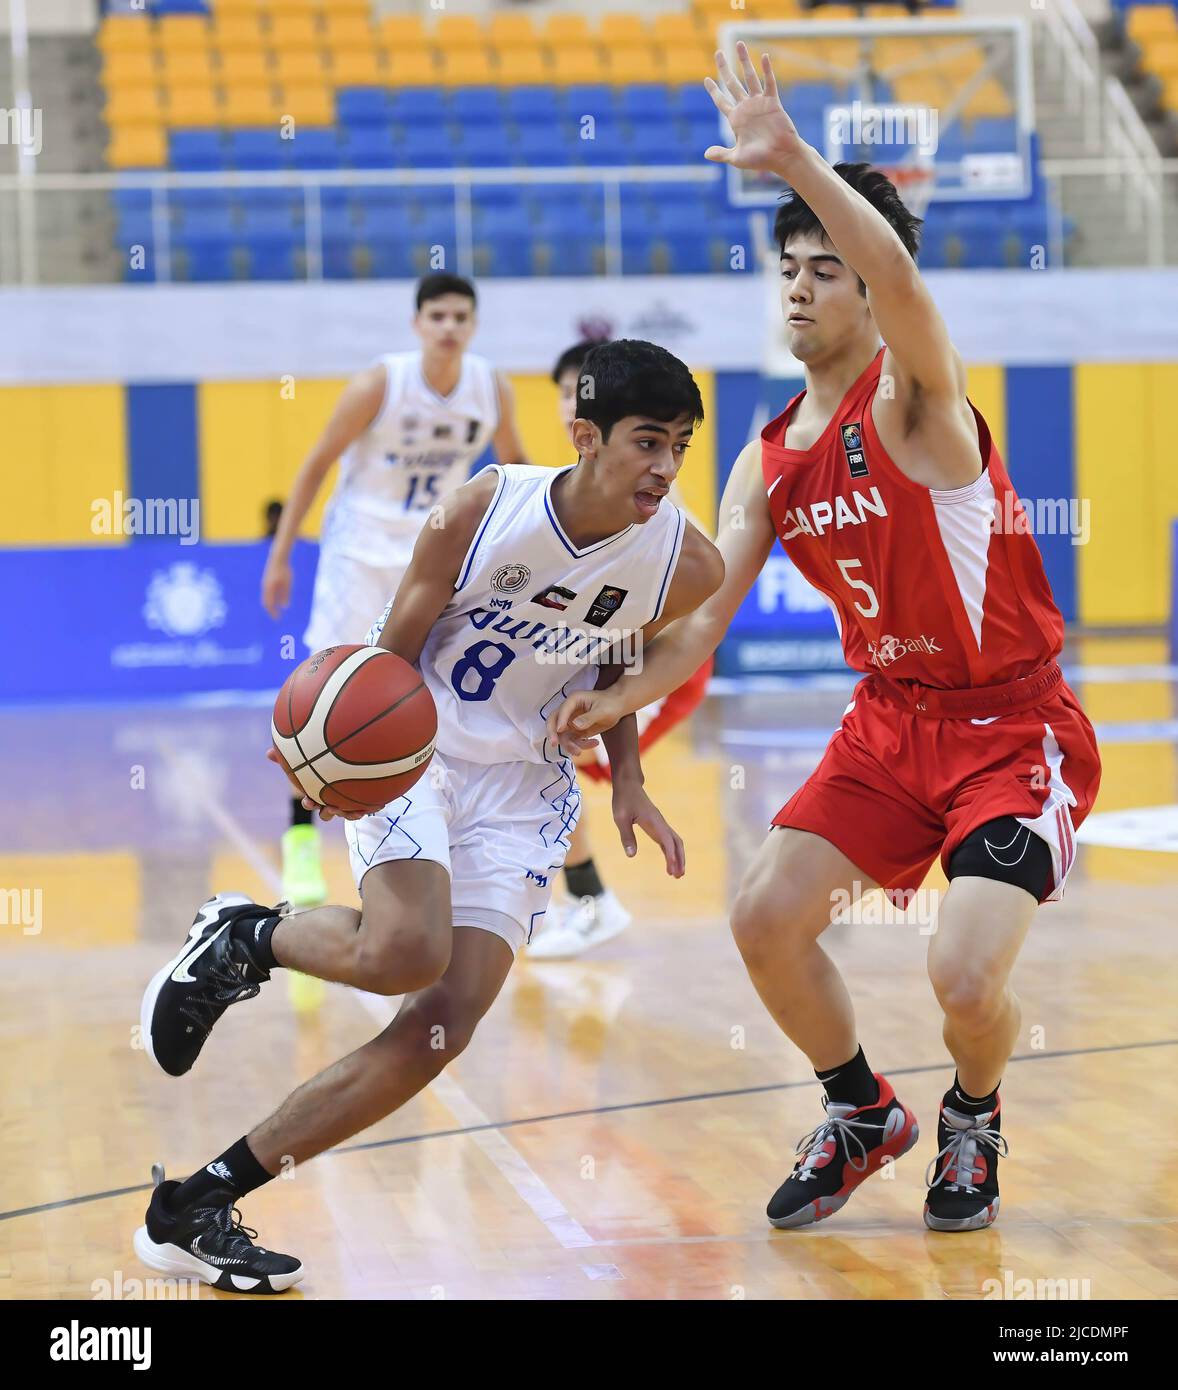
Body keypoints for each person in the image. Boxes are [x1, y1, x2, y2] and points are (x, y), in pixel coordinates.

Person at [550, 45, 1101, 1234]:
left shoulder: (916, 401)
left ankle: (973, 1109)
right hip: (887, 726)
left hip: (1008, 726)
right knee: (759, 916)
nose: (798, 289)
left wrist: (791, 155)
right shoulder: (767, 455)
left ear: (861, 289)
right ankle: (860, 1109)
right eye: (785, 270)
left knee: (960, 979)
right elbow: (700, 615)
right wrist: (615, 700)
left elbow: (896, 269)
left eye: (823, 271)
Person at [134, 340, 725, 1292]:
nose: (664, 467)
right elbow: (388, 657)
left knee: (440, 1029)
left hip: (526, 783)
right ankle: (252, 936)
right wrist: (337, 761)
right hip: (422, 745)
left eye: (682, 446)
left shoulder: (683, 557)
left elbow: (621, 650)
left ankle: (197, 1204)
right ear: (585, 436)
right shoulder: (482, 510)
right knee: (405, 954)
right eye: (648, 442)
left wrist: (627, 769)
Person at [261, 272, 527, 921]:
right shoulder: (382, 382)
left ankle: (422, 846)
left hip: (433, 557)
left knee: (430, 697)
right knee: (328, 700)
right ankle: (301, 838)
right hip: (358, 550)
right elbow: (318, 463)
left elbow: (516, 470)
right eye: (437, 315)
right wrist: (281, 553)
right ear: (417, 324)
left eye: (461, 316)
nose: (449, 327)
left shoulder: (490, 386)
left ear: (473, 325)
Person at [528, 340, 715, 960]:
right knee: (533, 747)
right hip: (610, 645)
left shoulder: (646, 499)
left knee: (539, 749)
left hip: (658, 656)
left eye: (570, 392)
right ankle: (580, 899)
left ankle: (589, 901)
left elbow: (639, 623)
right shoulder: (587, 482)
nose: (562, 406)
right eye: (557, 393)